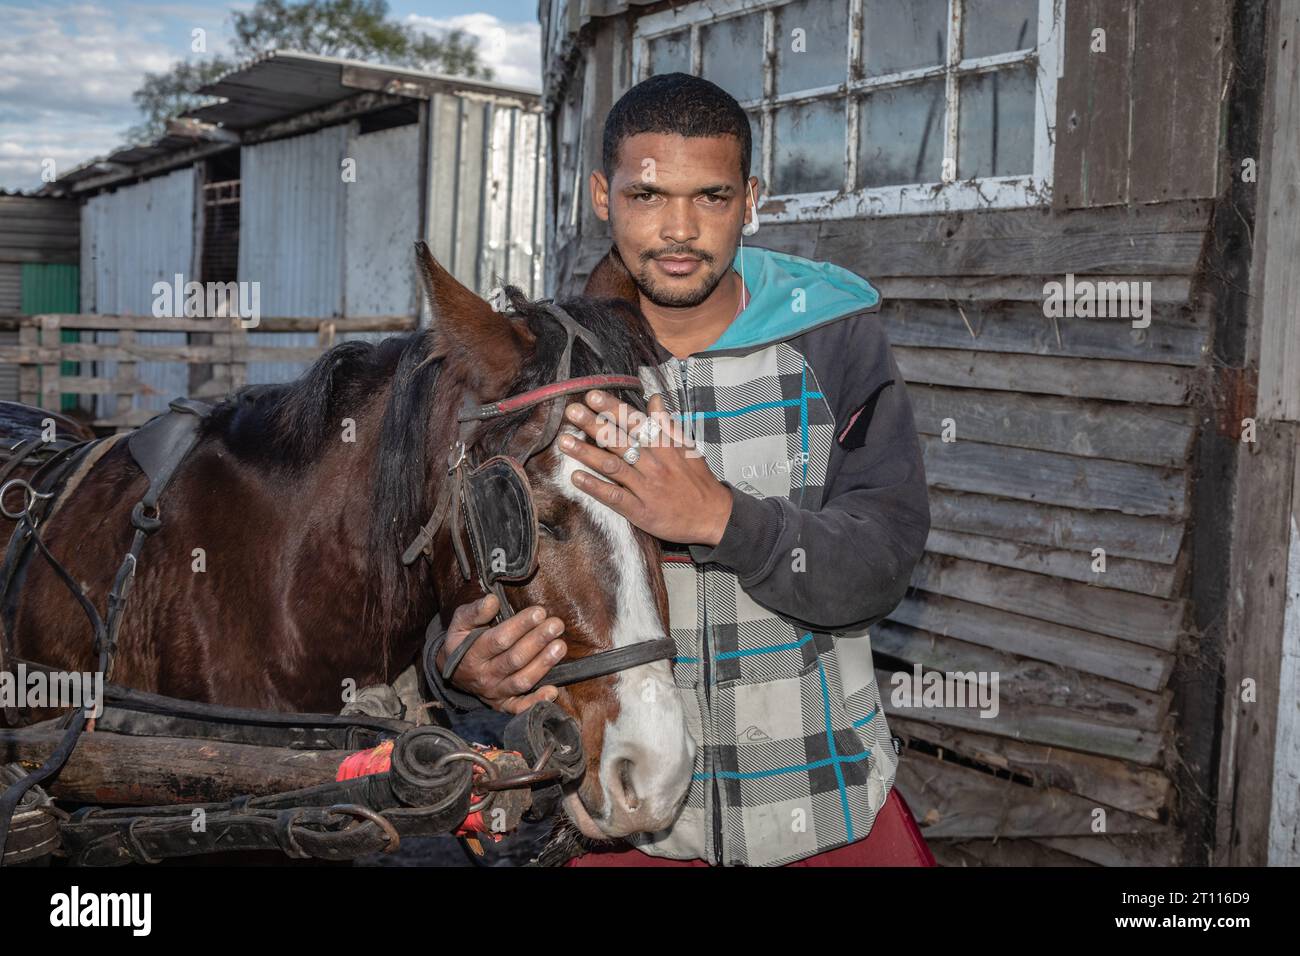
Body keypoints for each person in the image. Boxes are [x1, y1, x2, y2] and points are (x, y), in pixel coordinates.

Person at [428, 73, 932, 867]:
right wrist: (457, 664)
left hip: (822, 805)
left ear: (752, 198)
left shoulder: (836, 344)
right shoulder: (550, 367)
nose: (679, 230)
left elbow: (880, 567)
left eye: (713, 197)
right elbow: (478, 568)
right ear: (602, 195)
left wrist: (720, 520)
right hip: (620, 818)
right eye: (647, 197)